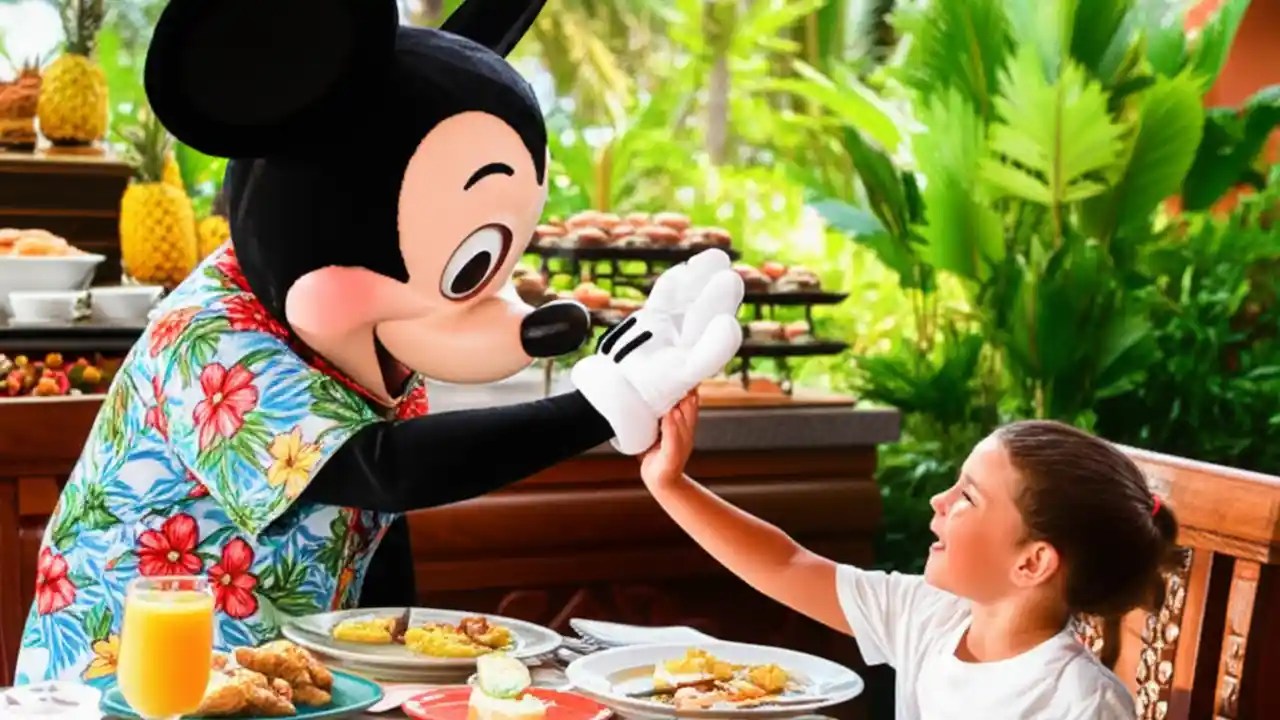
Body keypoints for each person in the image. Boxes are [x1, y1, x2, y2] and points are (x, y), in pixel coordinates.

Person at [15, 0, 745, 684]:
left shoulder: (369, 343)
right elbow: (379, 472)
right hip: (122, 683)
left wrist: (393, 662)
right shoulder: (210, 337)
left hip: (274, 675)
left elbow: (376, 524)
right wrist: (601, 403)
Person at [640, 393, 1180, 719]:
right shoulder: (933, 618)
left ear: (1032, 563)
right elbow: (787, 565)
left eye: (968, 496)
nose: (938, 500)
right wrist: (670, 484)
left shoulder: (1080, 702)